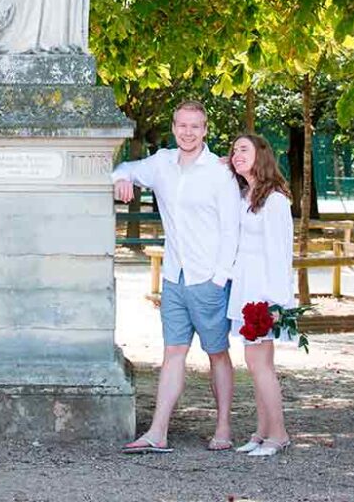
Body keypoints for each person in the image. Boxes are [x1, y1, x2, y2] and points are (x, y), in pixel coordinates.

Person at [112, 101, 242, 453]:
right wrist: (121, 179)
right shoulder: (162, 163)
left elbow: (232, 230)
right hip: (174, 276)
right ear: (173, 127)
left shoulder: (220, 172)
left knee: (217, 353)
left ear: (205, 130)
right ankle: (158, 432)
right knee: (173, 352)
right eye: (182, 126)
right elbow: (123, 166)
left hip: (208, 278)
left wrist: (219, 279)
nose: (188, 132)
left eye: (195, 126)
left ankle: (224, 427)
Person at [224, 133, 296, 457]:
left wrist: (276, 304)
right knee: (254, 364)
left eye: (244, 149)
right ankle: (261, 430)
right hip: (244, 287)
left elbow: (280, 256)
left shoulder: (275, 200)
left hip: (263, 292)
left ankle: (278, 434)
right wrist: (227, 163)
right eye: (234, 150)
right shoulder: (244, 196)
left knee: (261, 364)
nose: (236, 154)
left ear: (261, 155)